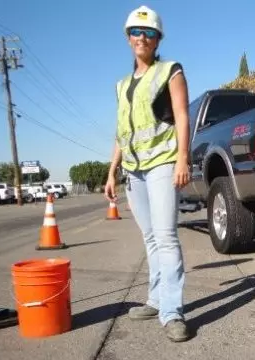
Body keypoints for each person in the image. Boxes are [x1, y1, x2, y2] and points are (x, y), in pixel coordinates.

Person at [104, 5, 191, 342]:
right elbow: (121, 133)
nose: (142, 37)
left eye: (149, 33)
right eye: (136, 32)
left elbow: (181, 116)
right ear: (128, 39)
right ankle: (155, 300)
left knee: (166, 236)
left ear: (158, 40)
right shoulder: (121, 84)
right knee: (150, 238)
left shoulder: (170, 70)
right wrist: (112, 171)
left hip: (163, 163)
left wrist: (183, 159)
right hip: (133, 172)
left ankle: (172, 313)